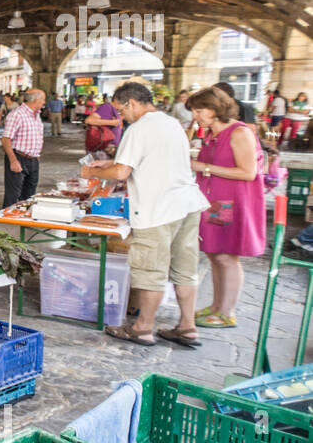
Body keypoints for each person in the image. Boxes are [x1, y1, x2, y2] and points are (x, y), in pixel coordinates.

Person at [80, 82, 209, 347]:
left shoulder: (138, 129)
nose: (120, 117)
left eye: (121, 111)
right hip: (186, 204)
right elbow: (154, 160)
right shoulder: (171, 123)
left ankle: (142, 328)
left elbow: (120, 173)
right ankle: (187, 326)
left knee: (150, 269)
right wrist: (111, 164)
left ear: (132, 104)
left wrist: (92, 172)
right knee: (185, 269)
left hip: (158, 209)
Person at [187, 87, 264, 330]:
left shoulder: (239, 132)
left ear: (214, 109)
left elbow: (248, 172)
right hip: (214, 202)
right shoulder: (212, 133)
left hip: (231, 202)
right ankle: (217, 305)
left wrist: (203, 167)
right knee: (214, 254)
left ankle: (227, 311)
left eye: (198, 111)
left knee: (227, 256)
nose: (195, 116)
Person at [1, 88, 47, 207]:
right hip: (18, 158)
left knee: (29, 196)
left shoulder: (36, 115)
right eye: (43, 100)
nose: (44, 102)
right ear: (35, 100)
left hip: (33, 159)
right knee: (13, 196)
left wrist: (36, 156)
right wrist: (13, 160)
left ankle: (23, 222)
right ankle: (7, 223)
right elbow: (6, 139)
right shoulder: (17, 114)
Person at [84, 93, 123, 158]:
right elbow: (89, 120)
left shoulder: (114, 109)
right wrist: (112, 122)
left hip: (109, 147)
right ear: (116, 100)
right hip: (105, 147)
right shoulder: (107, 107)